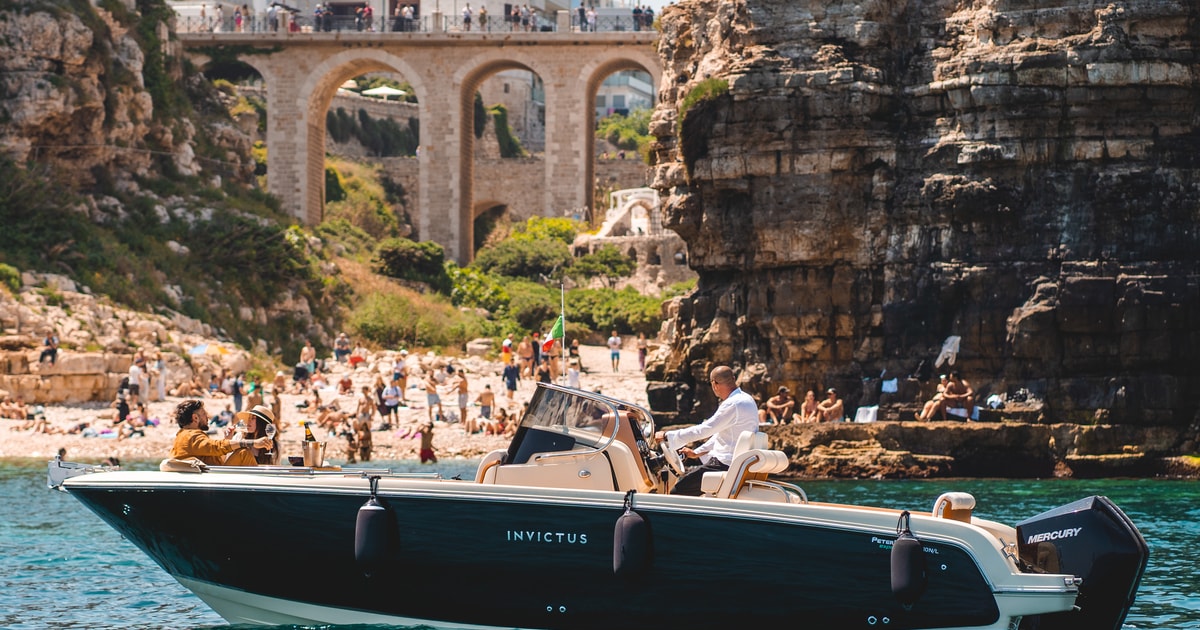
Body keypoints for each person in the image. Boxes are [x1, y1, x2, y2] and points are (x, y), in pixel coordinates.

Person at [654, 366, 759, 496]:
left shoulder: (733, 404)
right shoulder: (747, 400)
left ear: (714, 384)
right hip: (736, 463)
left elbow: (705, 430)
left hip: (723, 464)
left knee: (677, 492)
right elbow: (721, 434)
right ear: (733, 379)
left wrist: (666, 435)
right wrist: (696, 452)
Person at [169, 399, 271, 466]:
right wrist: (253, 442)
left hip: (213, 475)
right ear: (195, 418)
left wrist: (227, 440)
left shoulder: (184, 436)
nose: (207, 417)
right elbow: (216, 447)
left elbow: (214, 455)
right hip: (214, 478)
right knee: (243, 453)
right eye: (204, 414)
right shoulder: (191, 437)